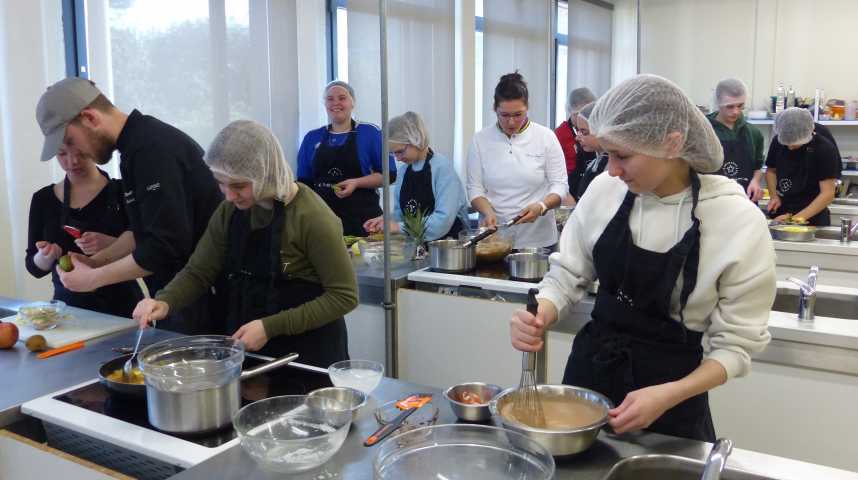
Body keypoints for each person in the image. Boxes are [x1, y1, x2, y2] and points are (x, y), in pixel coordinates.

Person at [509, 74, 775, 442]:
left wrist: (669, 394)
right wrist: (541, 313)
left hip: (673, 400)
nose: (612, 170)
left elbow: (736, 346)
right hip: (588, 383)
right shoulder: (605, 191)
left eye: (622, 156)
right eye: (607, 154)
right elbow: (567, 276)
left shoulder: (735, 220)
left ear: (672, 143)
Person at [133, 121, 358, 367]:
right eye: (221, 183)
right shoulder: (229, 212)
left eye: (239, 186)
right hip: (252, 349)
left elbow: (344, 296)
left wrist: (270, 327)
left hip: (309, 355)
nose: (229, 196)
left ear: (265, 173)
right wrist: (164, 301)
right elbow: (199, 271)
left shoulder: (312, 217)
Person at [35, 77, 223, 334]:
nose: (75, 155)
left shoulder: (152, 150)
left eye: (70, 141)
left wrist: (93, 279)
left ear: (90, 118)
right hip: (175, 297)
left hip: (201, 297)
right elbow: (143, 232)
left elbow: (164, 246)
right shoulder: (132, 151)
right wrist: (96, 262)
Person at [25, 147, 139, 317]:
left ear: (91, 145)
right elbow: (34, 268)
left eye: (80, 152)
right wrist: (45, 256)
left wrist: (113, 245)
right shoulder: (43, 199)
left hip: (123, 309)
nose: (73, 161)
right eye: (62, 154)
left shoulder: (123, 191)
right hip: (68, 312)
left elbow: (149, 249)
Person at [467, 72, 568, 249]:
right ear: (494, 109)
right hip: (495, 239)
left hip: (539, 240)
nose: (511, 122)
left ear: (527, 107)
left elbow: (560, 186)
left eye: (518, 114)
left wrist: (542, 206)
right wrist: (487, 211)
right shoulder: (480, 140)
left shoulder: (545, 137)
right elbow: (474, 189)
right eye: (504, 115)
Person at [297, 81, 397, 237]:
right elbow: (304, 184)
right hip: (323, 221)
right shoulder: (311, 138)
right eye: (330, 99)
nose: (335, 103)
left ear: (353, 102)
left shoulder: (370, 133)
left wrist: (356, 183)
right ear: (325, 104)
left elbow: (389, 175)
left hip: (365, 222)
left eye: (342, 98)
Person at [363, 112, 468, 241]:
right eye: (393, 153)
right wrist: (384, 220)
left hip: (448, 244)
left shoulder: (442, 168)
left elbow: (443, 220)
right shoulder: (403, 171)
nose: (398, 158)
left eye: (400, 151)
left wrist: (398, 227)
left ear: (416, 140)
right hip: (418, 245)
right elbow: (401, 214)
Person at [765, 107, 840, 226]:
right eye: (786, 143)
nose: (790, 147)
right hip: (782, 210)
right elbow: (771, 171)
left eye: (795, 144)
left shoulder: (824, 149)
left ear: (809, 133)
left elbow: (827, 194)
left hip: (813, 215)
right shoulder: (777, 141)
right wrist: (774, 196)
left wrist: (793, 220)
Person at [706, 78, 765, 201]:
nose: (736, 112)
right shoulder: (704, 131)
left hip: (745, 198)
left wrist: (755, 181)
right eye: (730, 106)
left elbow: (758, 166)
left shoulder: (753, 133)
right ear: (718, 103)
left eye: (740, 105)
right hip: (712, 199)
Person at [555, 87, 597, 200]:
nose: (583, 117)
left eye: (588, 113)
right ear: (570, 112)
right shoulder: (560, 134)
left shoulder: (597, 132)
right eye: (578, 114)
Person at [572, 102, 609, 200]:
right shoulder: (594, 164)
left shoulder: (611, 168)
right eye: (577, 131)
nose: (577, 138)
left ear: (601, 130)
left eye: (584, 132)